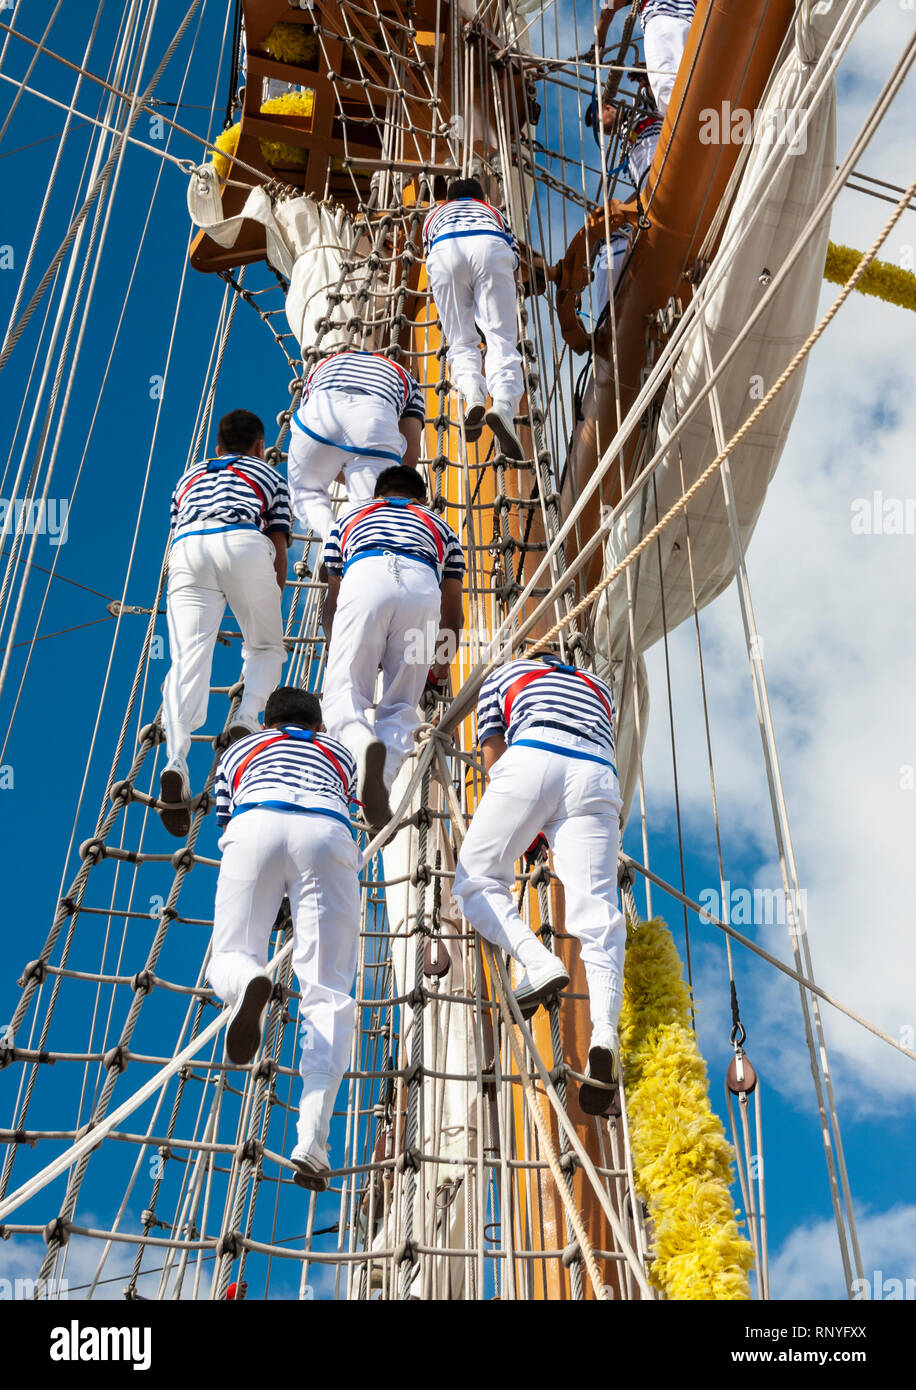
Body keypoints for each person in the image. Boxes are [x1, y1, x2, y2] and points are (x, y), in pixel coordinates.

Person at [452, 653, 626, 1116]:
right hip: (598, 774)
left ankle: (536, 960)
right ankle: (604, 1034)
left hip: (534, 757)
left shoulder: (504, 673)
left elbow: (494, 758)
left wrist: (526, 833)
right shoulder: (598, 684)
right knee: (599, 916)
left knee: (475, 878)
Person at [209, 685, 360, 1191]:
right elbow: (347, 804)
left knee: (228, 955)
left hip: (255, 822)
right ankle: (312, 1139)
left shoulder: (239, 750)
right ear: (317, 725)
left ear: (268, 724)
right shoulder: (337, 752)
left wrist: (275, 902)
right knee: (328, 992)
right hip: (328, 832)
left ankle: (251, 977)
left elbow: (227, 818)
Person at [159, 410, 290, 838]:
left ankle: (175, 761)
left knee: (186, 662)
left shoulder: (188, 478)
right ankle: (247, 718)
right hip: (242, 543)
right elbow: (278, 546)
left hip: (187, 551)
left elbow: (177, 529)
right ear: (258, 446)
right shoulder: (268, 475)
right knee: (267, 647)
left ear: (217, 448)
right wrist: (267, 599)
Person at [321, 465, 464, 831]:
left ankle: (360, 743)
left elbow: (332, 601)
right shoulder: (441, 528)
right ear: (422, 499)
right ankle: (380, 783)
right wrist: (440, 669)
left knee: (343, 695)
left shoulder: (350, 518)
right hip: (421, 589)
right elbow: (453, 617)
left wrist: (336, 647)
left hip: (364, 578)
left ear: (378, 494)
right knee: (401, 706)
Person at [422, 177, 524, 460]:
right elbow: (513, 254)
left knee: (461, 340)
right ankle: (502, 404)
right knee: (500, 339)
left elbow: (427, 250)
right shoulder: (493, 212)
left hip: (444, 250)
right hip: (489, 246)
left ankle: (472, 398)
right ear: (481, 197)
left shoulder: (434, 215)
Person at [287, 348, 425, 546]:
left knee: (306, 492)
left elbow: (314, 440)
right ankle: (358, 548)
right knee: (372, 514)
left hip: (320, 412)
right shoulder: (406, 377)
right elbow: (408, 461)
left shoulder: (322, 366)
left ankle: (332, 537)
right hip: (374, 418)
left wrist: (337, 464)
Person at [596, 0, 696, 117]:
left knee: (670, 97)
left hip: (661, 25)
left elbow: (607, 9)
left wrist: (598, 45)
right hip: (695, 26)